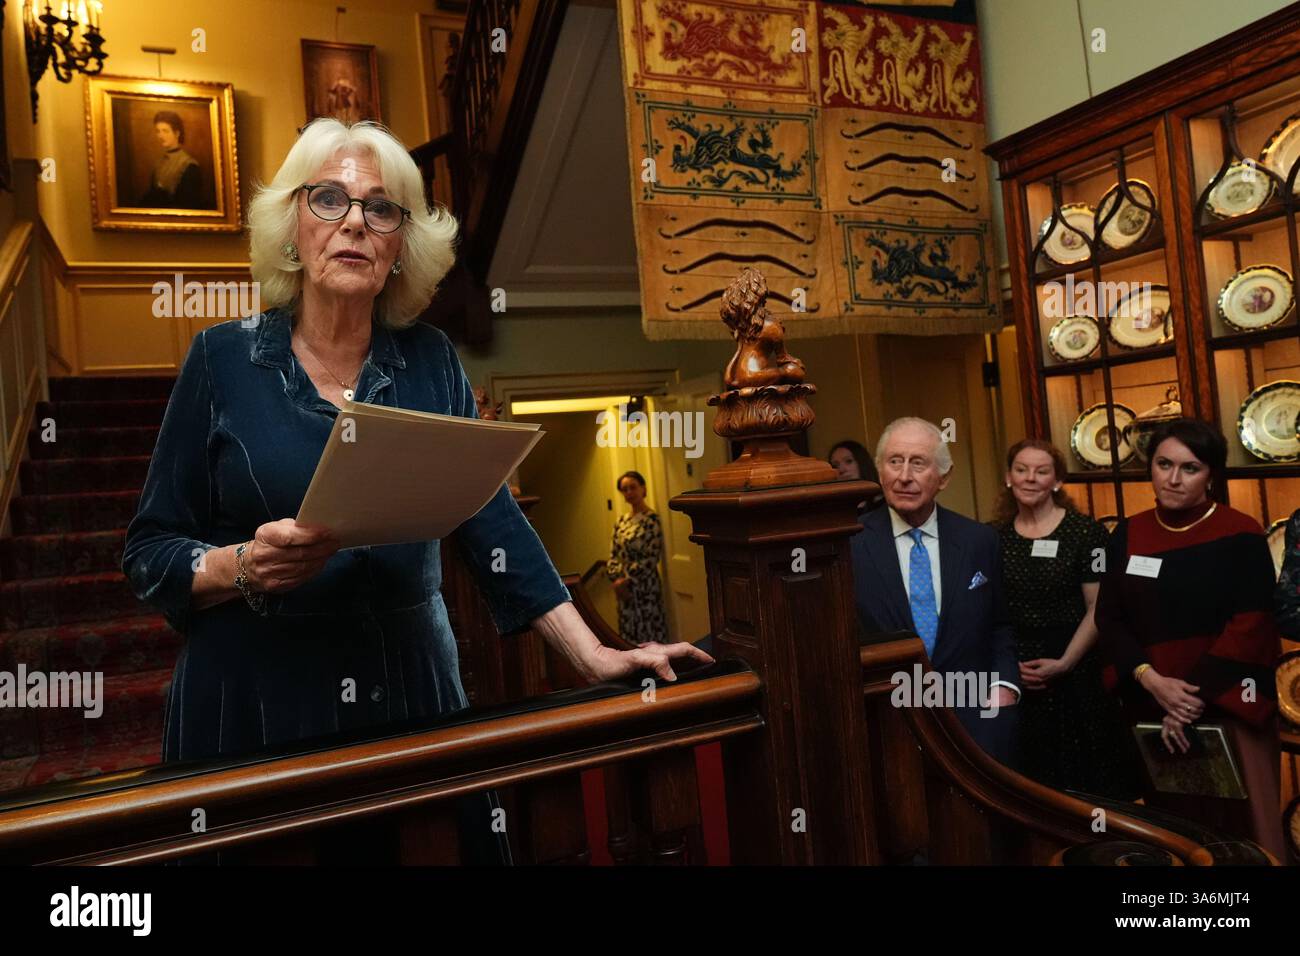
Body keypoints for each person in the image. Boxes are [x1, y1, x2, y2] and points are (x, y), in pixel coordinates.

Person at [121, 118, 712, 860]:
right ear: (291, 229)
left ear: (401, 245)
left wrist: (591, 654)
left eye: (381, 208)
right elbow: (149, 551)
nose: (355, 224)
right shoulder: (222, 359)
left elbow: (491, 521)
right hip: (259, 700)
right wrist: (237, 566)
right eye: (329, 199)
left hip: (411, 689)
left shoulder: (430, 360)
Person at [1094, 418, 1284, 859]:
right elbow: (1110, 617)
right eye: (1163, 464)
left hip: (1229, 706)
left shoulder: (1242, 531)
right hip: (1150, 707)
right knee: (1173, 835)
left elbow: (1251, 622)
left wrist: (1187, 700)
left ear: (1211, 474)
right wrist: (1150, 681)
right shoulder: (1128, 532)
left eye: (1189, 467)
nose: (1173, 478)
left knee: (1245, 837)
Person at [849, 416, 1020, 764]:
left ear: (944, 477)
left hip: (974, 721)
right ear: (880, 471)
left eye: (919, 463)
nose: (904, 476)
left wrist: (1005, 687)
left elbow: (1000, 624)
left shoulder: (979, 540)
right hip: (885, 724)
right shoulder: (849, 543)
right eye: (894, 461)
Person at [993, 439, 1138, 798]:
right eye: (1021, 470)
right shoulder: (991, 537)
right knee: (1027, 786)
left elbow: (1098, 607)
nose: (1030, 478)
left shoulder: (1086, 534)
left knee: (1086, 784)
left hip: (1076, 671)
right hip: (1017, 672)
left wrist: (1064, 663)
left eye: (1042, 471)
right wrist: (1011, 667)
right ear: (1009, 478)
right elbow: (989, 611)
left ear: (1057, 481)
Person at [606, 471, 669, 644]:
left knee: (650, 636)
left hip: (645, 587)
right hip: (624, 592)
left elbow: (651, 558)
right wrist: (617, 579)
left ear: (643, 488)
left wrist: (626, 579)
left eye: (633, 487)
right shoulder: (621, 521)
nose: (629, 493)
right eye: (624, 489)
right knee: (629, 637)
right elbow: (613, 555)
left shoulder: (652, 520)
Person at [140, 111, 201, 208]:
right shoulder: (158, 163)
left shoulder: (189, 165)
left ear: (176, 133)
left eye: (165, 131)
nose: (160, 136)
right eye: (158, 131)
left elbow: (188, 204)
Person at [829, 439, 883, 513]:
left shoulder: (883, 504)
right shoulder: (833, 509)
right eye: (835, 465)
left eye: (849, 461)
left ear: (862, 462)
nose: (841, 470)